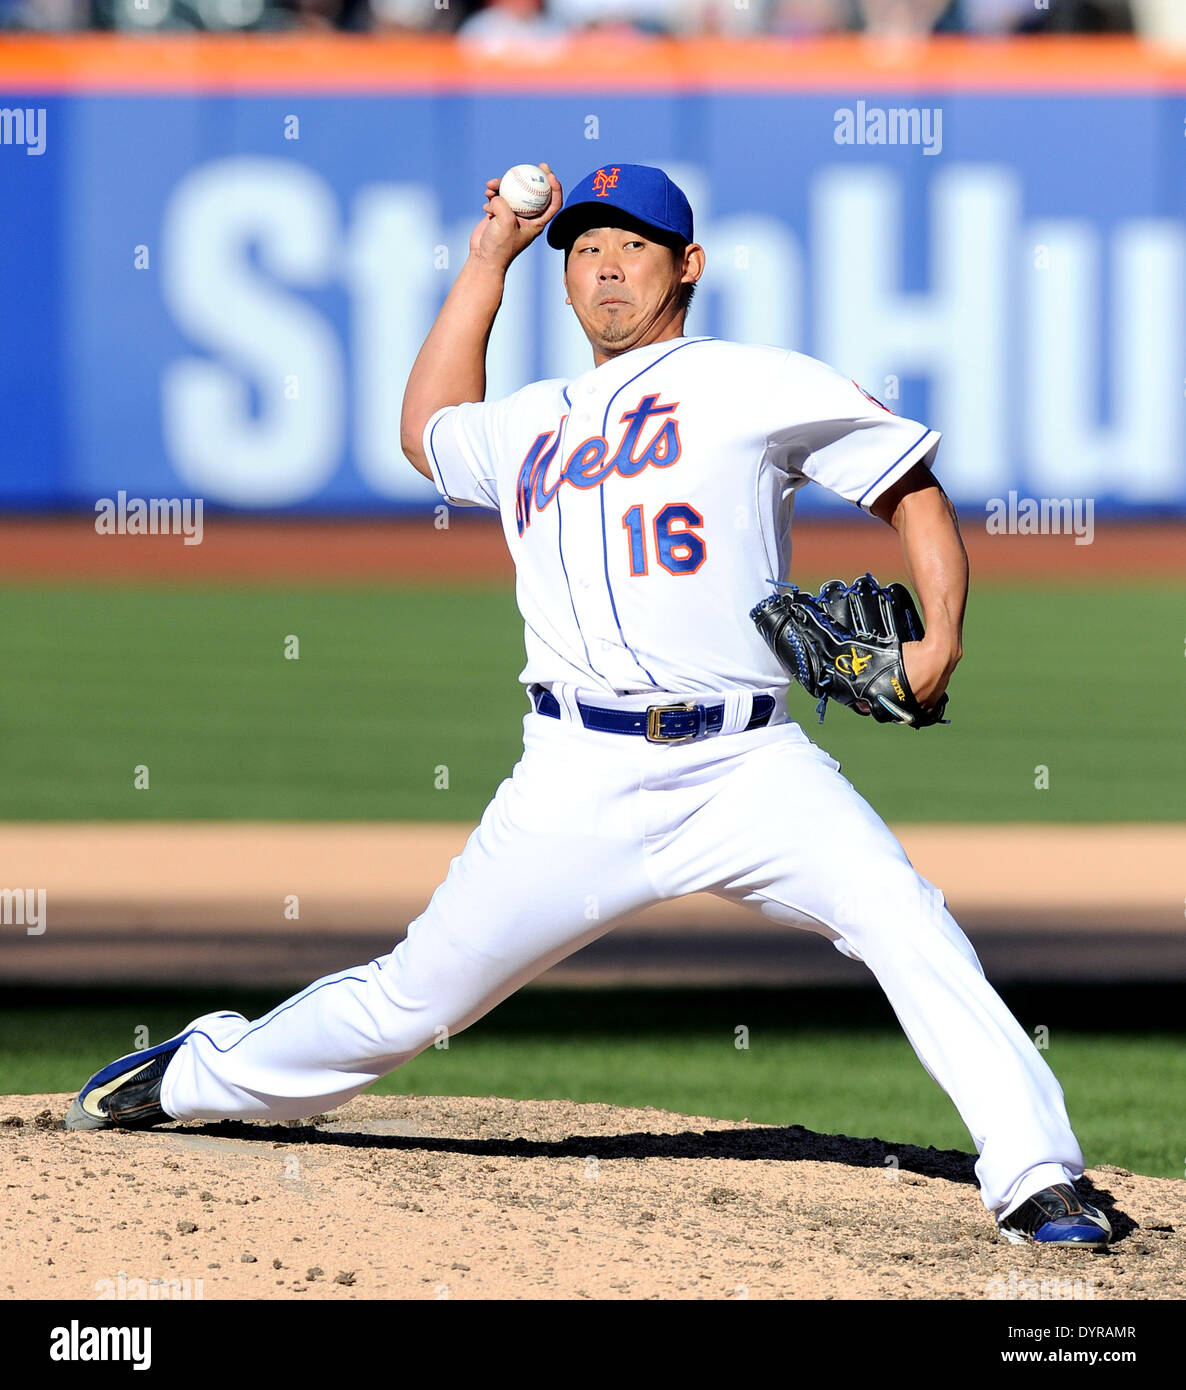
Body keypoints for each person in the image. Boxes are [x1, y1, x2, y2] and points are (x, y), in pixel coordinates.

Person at [66, 161, 1110, 1249]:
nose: (607, 269)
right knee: (412, 1003)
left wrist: (939, 636)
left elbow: (910, 486)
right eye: (586, 252)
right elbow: (428, 429)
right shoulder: (529, 422)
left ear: (687, 265)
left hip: (749, 770)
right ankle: (199, 1071)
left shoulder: (755, 380)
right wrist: (486, 262)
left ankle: (1036, 1176)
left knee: (908, 922)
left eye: (634, 248)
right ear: (564, 279)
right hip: (575, 774)